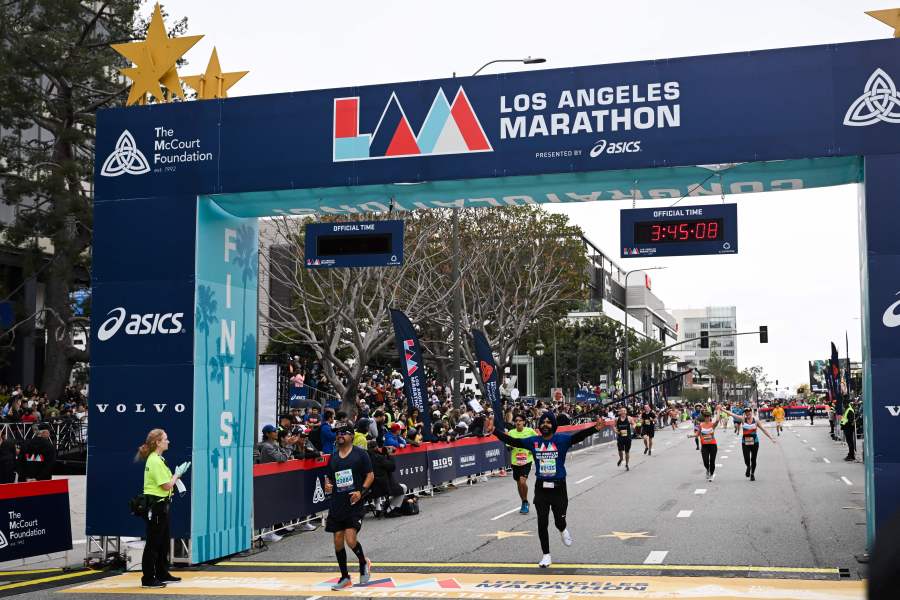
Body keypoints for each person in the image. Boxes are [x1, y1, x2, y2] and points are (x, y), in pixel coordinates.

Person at [494, 411, 609, 568]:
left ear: (554, 425)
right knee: (542, 522)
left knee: (559, 521)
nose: (545, 425)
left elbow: (578, 437)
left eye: (548, 422)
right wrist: (494, 432)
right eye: (543, 422)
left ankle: (562, 529)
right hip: (541, 488)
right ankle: (546, 555)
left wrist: (595, 429)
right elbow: (513, 441)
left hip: (559, 487)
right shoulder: (533, 441)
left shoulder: (561, 440)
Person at [323, 421, 375, 590]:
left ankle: (363, 563)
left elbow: (370, 475)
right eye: (337, 433)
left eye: (343, 433)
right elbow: (329, 477)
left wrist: (361, 492)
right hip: (337, 504)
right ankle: (345, 577)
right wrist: (328, 485)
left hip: (354, 503)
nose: (339, 435)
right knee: (338, 541)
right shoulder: (334, 456)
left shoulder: (361, 454)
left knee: (350, 540)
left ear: (351, 436)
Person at [136, 429, 189, 589]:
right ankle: (148, 578)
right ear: (158, 442)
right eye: (165, 439)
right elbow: (166, 485)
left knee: (163, 542)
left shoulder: (158, 458)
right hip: (156, 505)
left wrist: (174, 477)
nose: (168, 441)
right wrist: (177, 475)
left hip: (162, 505)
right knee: (153, 543)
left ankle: (162, 573)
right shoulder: (155, 461)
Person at [505, 413, 538, 514]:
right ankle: (524, 501)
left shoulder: (530, 431)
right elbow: (508, 446)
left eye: (520, 421)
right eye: (516, 421)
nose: (518, 422)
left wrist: (532, 449)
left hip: (526, 460)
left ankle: (525, 501)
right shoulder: (511, 432)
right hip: (515, 461)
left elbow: (537, 441)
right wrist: (510, 446)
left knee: (523, 481)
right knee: (519, 483)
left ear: (524, 422)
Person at [732, 407, 775, 481]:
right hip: (745, 442)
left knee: (753, 459)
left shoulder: (756, 420)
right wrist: (722, 409)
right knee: (746, 459)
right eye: (746, 412)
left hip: (754, 442)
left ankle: (752, 474)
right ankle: (748, 467)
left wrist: (771, 438)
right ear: (745, 413)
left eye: (748, 412)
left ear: (751, 412)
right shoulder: (743, 419)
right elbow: (732, 414)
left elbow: (763, 430)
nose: (747, 413)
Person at [688, 409, 720, 481]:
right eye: (705, 416)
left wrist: (718, 410)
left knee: (712, 461)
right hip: (704, 446)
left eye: (708, 416)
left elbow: (717, 420)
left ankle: (711, 474)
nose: (707, 418)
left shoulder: (712, 425)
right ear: (704, 417)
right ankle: (707, 469)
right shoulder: (701, 425)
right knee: (705, 461)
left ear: (710, 417)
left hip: (712, 445)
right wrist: (691, 436)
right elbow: (697, 433)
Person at [614, 407, 635, 471]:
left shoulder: (629, 418)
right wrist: (616, 431)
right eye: (622, 411)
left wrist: (633, 426)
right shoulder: (617, 419)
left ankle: (627, 464)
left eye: (624, 411)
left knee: (627, 452)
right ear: (620, 412)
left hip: (627, 437)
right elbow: (614, 426)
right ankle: (621, 458)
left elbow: (634, 424)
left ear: (626, 412)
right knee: (620, 450)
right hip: (620, 437)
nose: (623, 412)